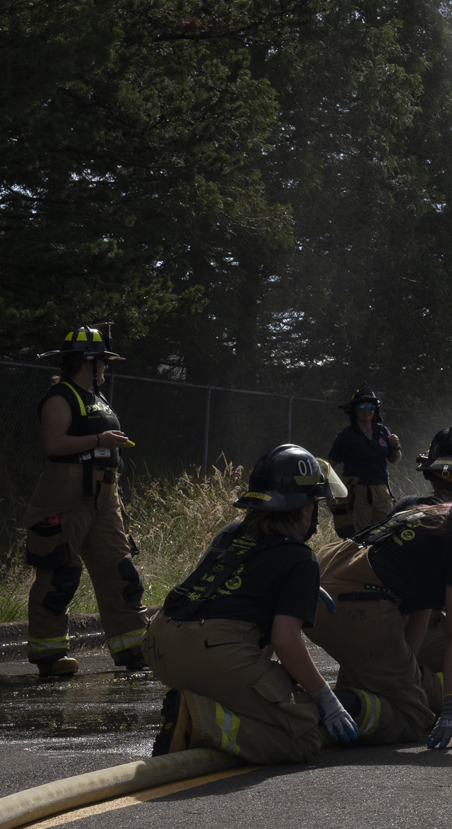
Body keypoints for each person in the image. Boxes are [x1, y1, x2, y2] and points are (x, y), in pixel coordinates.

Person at [145, 444, 358, 763]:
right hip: (215, 655)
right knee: (303, 733)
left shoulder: (232, 531)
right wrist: (326, 699)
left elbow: (228, 581)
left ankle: (202, 708)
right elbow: (285, 641)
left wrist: (298, 589)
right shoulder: (300, 559)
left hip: (159, 643)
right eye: (315, 503)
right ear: (303, 508)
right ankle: (201, 722)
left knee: (263, 694)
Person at [307, 469, 452, 748]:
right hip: (359, 604)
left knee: (367, 691)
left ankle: (325, 703)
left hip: (319, 586)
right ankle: (304, 717)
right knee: (411, 715)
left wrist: (405, 669)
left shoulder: (434, 514)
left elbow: (420, 605)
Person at [19, 326, 149, 678]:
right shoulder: (60, 397)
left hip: (105, 495)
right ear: (88, 363)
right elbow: (54, 445)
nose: (106, 370)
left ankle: (135, 648)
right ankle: (50, 655)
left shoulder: (98, 398)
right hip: (67, 493)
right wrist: (99, 438)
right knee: (60, 572)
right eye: (103, 363)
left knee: (120, 571)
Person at [326, 384, 402, 537]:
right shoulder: (346, 436)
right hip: (357, 493)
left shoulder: (382, 431)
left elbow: (394, 461)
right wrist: (329, 494)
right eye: (362, 406)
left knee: (384, 536)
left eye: (370, 406)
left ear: (375, 410)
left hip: (383, 491)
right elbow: (327, 467)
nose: (367, 409)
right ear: (354, 410)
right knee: (359, 538)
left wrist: (396, 446)